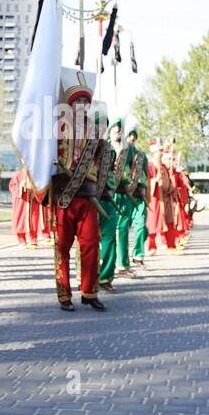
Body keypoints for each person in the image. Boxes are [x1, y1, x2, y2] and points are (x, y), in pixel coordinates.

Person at [51, 68, 105, 311]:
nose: (82, 104)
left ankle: (89, 292)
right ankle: (64, 295)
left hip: (88, 195)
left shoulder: (95, 131)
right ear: (70, 104)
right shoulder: (57, 126)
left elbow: (104, 159)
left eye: (86, 101)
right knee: (62, 246)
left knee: (92, 243)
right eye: (78, 101)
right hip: (64, 194)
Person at [93, 108, 120, 292]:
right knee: (89, 241)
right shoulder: (83, 146)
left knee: (110, 239)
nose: (100, 128)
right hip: (89, 199)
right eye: (98, 124)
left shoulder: (111, 150)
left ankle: (105, 277)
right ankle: (87, 277)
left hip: (107, 199)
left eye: (104, 125)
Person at [111, 120, 142, 278]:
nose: (118, 132)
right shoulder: (105, 147)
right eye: (115, 130)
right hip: (108, 194)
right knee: (110, 232)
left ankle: (122, 264)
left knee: (122, 230)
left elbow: (134, 171)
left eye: (120, 130)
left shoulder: (129, 150)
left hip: (124, 194)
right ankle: (111, 267)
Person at [124, 126, 150, 267]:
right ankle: (121, 259)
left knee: (141, 226)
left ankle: (138, 255)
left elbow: (147, 175)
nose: (132, 138)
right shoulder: (120, 152)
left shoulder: (141, 155)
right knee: (122, 228)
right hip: (125, 195)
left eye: (134, 136)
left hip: (139, 195)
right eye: (129, 135)